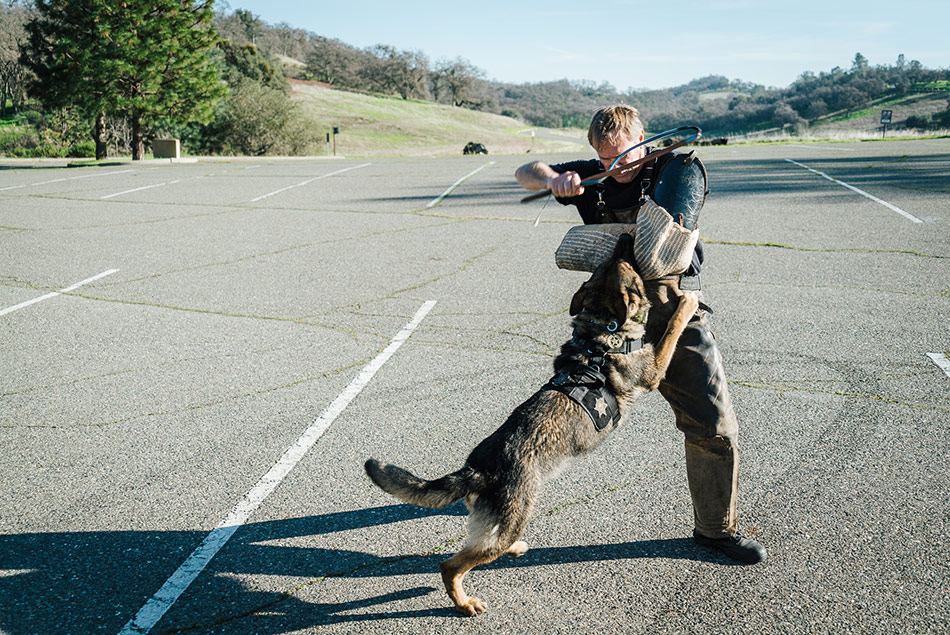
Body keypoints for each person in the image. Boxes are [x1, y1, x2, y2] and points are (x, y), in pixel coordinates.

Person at [515, 104, 766, 564]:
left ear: (645, 138)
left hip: (673, 311)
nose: (620, 163)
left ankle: (715, 531)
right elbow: (523, 171)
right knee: (561, 415)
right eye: (607, 156)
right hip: (612, 319)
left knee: (712, 423)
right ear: (595, 152)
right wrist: (552, 177)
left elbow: (666, 231)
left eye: (627, 152)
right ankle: (502, 483)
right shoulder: (593, 177)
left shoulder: (675, 169)